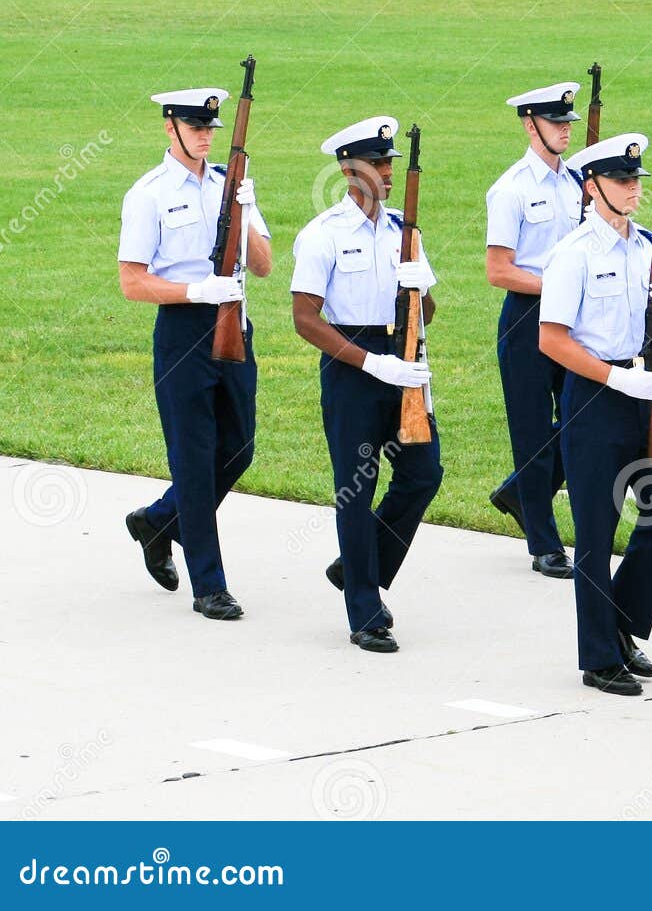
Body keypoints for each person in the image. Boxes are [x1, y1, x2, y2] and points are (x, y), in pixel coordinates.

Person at [539, 133, 652, 697]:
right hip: (598, 397)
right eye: (622, 181)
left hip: (650, 390)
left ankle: (620, 623)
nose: (633, 190)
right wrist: (615, 376)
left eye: (636, 181)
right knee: (598, 534)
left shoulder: (651, 248)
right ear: (592, 187)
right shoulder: (574, 254)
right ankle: (599, 657)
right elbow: (551, 339)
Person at [290, 116, 443, 654]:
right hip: (353, 366)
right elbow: (306, 318)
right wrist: (370, 364)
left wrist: (419, 288)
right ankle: (364, 610)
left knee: (424, 474)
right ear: (351, 170)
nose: (387, 171)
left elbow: (428, 311)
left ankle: (359, 564)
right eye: (378, 164)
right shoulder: (324, 235)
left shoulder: (406, 230)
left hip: (405, 357)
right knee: (356, 488)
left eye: (390, 163)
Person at [118, 86, 272, 621]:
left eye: (211, 127)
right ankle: (210, 585)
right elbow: (132, 282)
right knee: (194, 457)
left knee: (240, 450)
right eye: (195, 126)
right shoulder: (150, 193)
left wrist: (247, 213)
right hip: (184, 331)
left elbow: (265, 265)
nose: (205, 135)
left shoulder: (232, 185)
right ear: (171, 128)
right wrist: (194, 292)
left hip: (235, 328)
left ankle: (159, 520)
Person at [485, 82, 585, 579]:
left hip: (572, 321)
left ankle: (519, 492)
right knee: (530, 430)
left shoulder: (580, 182)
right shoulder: (511, 189)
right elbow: (499, 270)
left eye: (568, 122)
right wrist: (557, 284)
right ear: (530, 125)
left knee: (581, 417)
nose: (565, 129)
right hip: (527, 318)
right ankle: (543, 543)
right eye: (555, 122)